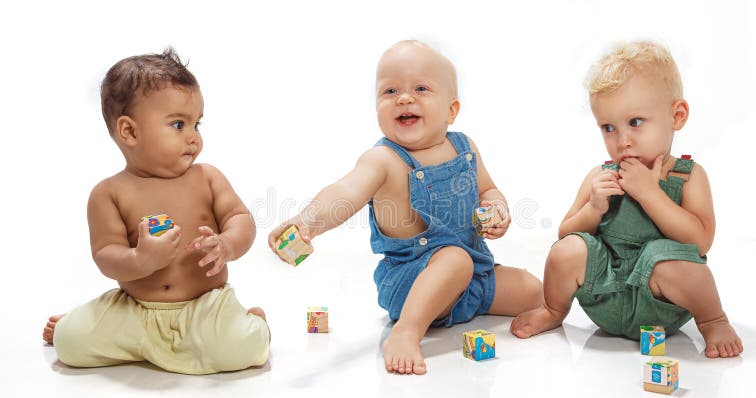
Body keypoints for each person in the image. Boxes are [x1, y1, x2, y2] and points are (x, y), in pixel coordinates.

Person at [268, 40, 543, 374]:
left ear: (451, 110)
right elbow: (345, 191)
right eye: (390, 90)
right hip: (410, 281)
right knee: (454, 259)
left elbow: (488, 189)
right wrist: (308, 221)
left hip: (473, 276)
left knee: (534, 290)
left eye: (422, 88)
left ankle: (507, 314)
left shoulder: (465, 147)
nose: (404, 98)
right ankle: (406, 331)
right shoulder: (382, 160)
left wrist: (497, 208)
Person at [42, 49, 270, 374]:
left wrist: (228, 244)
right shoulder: (108, 193)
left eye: (197, 124)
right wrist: (140, 261)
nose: (194, 138)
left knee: (240, 348)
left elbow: (240, 219)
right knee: (70, 343)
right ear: (130, 132)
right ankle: (87, 325)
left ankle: (252, 322)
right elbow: (106, 254)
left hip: (204, 307)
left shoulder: (207, 178)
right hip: (135, 310)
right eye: (179, 124)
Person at [510, 41, 743, 358]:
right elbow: (566, 234)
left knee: (674, 261)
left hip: (661, 302)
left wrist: (650, 194)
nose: (623, 141)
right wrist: (594, 208)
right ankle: (553, 309)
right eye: (608, 127)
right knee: (569, 249)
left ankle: (714, 321)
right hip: (606, 294)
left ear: (676, 116)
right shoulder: (601, 176)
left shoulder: (688, 176)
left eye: (635, 122)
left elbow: (700, 242)